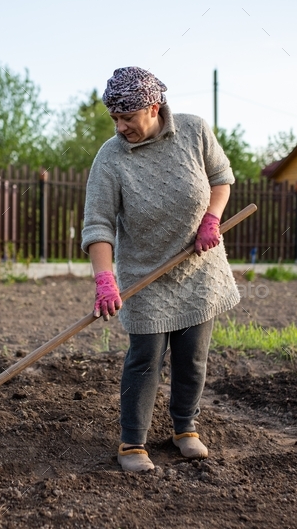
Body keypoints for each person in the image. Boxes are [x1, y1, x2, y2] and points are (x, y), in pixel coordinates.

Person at [81, 66, 240, 472]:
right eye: (114, 118)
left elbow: (221, 178)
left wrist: (211, 218)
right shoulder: (110, 158)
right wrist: (104, 279)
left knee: (193, 357)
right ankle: (132, 443)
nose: (120, 127)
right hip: (144, 274)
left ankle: (185, 428)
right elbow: (98, 223)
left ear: (154, 108)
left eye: (128, 118)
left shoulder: (194, 131)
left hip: (198, 268)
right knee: (145, 358)